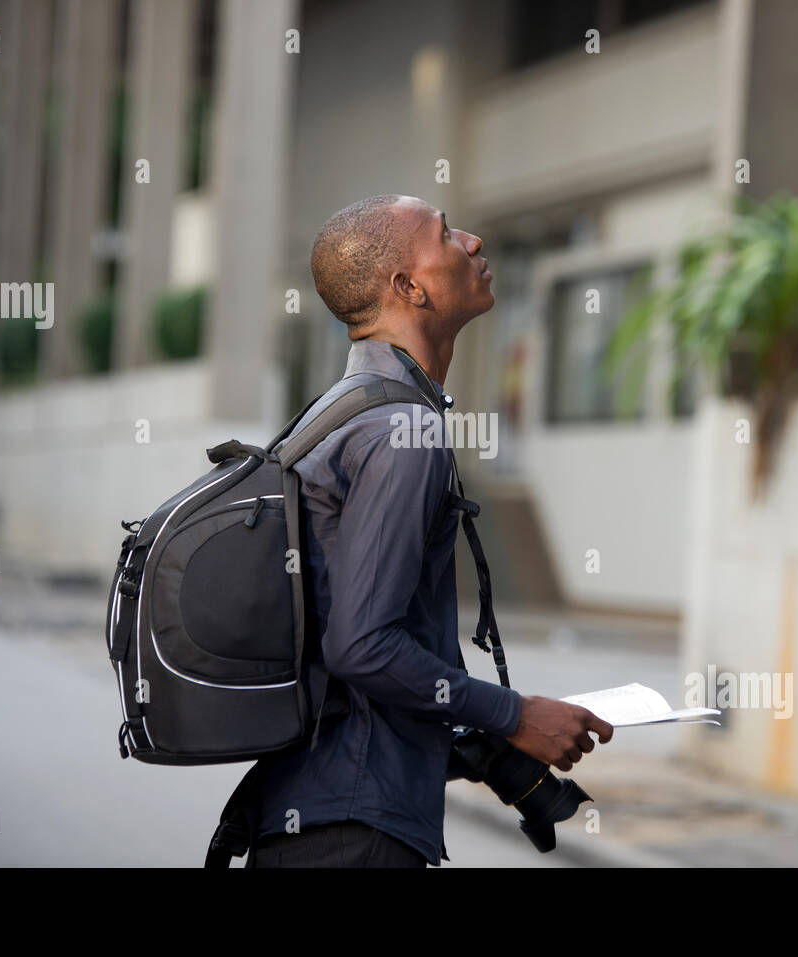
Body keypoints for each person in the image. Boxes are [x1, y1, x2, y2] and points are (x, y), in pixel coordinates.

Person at [246, 194, 612, 868]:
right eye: (446, 235)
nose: (472, 242)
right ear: (408, 287)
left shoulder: (335, 413)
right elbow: (361, 645)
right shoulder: (400, 431)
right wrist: (516, 713)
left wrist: (485, 746)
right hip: (354, 829)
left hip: (319, 809)